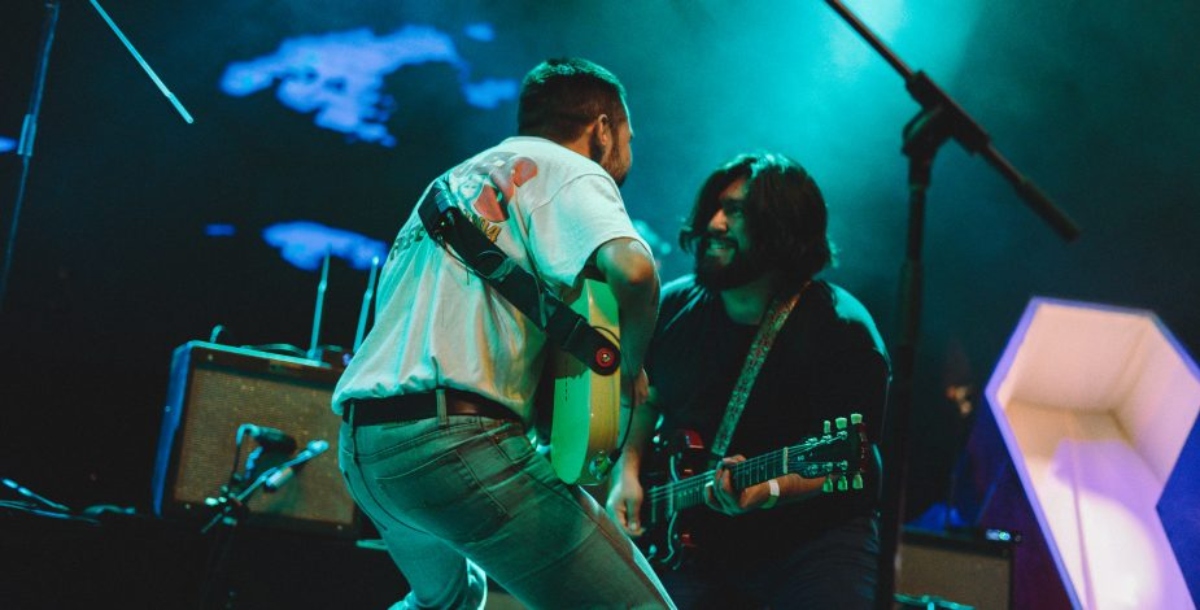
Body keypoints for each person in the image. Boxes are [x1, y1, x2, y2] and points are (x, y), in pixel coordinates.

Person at [332, 57, 674, 609]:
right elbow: (634, 272)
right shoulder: (570, 167)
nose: (628, 153)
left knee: (449, 601)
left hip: (365, 449)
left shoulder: (447, 185)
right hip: (449, 443)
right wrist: (630, 372)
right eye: (629, 136)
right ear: (603, 129)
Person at [606, 152, 890, 609]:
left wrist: (773, 488)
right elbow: (647, 398)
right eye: (714, 208)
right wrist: (628, 473)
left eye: (735, 211)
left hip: (813, 544)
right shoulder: (674, 307)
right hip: (691, 541)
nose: (714, 224)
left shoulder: (843, 330)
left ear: (782, 227)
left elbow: (851, 458)